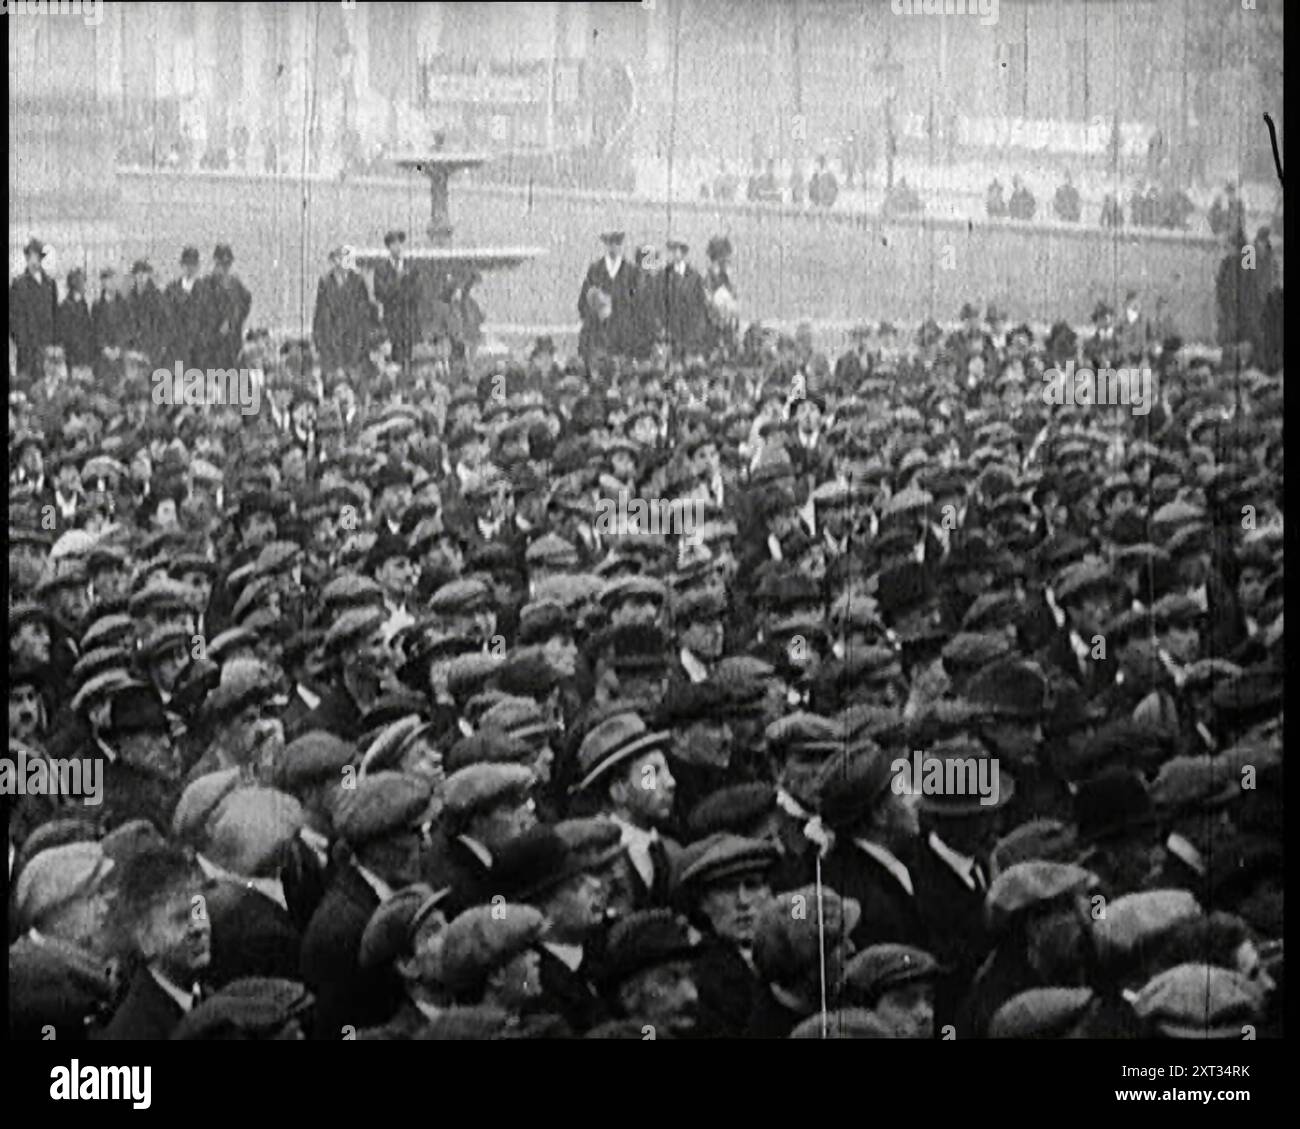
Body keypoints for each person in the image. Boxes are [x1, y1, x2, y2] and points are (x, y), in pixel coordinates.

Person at [312, 245, 375, 376]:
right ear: (334, 261)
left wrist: (364, 340)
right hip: (331, 338)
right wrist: (318, 340)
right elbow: (320, 312)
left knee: (353, 374)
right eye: (339, 258)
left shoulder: (358, 281)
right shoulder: (325, 281)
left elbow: (365, 313)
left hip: (353, 338)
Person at [577, 231, 639, 362]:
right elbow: (583, 303)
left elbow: (638, 304)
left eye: (616, 243)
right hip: (600, 334)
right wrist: (596, 316)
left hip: (624, 333)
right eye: (610, 244)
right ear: (605, 245)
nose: (613, 248)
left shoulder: (631, 271)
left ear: (620, 246)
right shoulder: (595, 269)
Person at [10, 237, 59, 380]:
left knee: (47, 384)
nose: (33, 261)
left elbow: (55, 315)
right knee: (26, 384)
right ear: (26, 258)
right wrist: (22, 343)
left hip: (46, 348)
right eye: (30, 256)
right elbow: (13, 319)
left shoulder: (50, 284)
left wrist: (53, 343)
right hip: (27, 350)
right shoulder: (18, 285)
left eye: (37, 256)